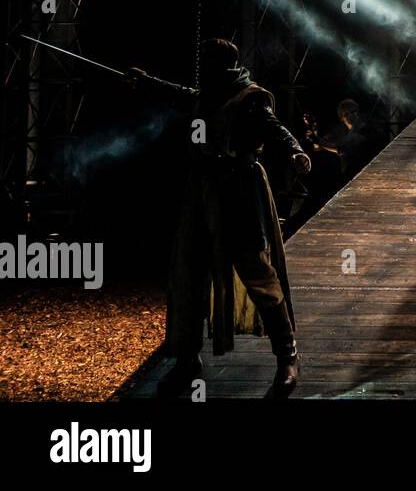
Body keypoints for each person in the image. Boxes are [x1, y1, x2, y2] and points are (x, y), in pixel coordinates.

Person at [124, 38, 311, 397]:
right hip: (203, 193)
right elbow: (177, 94)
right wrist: (144, 80)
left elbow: (275, 129)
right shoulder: (206, 94)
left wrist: (295, 151)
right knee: (189, 272)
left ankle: (287, 356)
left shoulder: (249, 97)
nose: (202, 68)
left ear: (221, 65)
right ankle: (187, 358)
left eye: (207, 62)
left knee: (257, 273)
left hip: (238, 192)